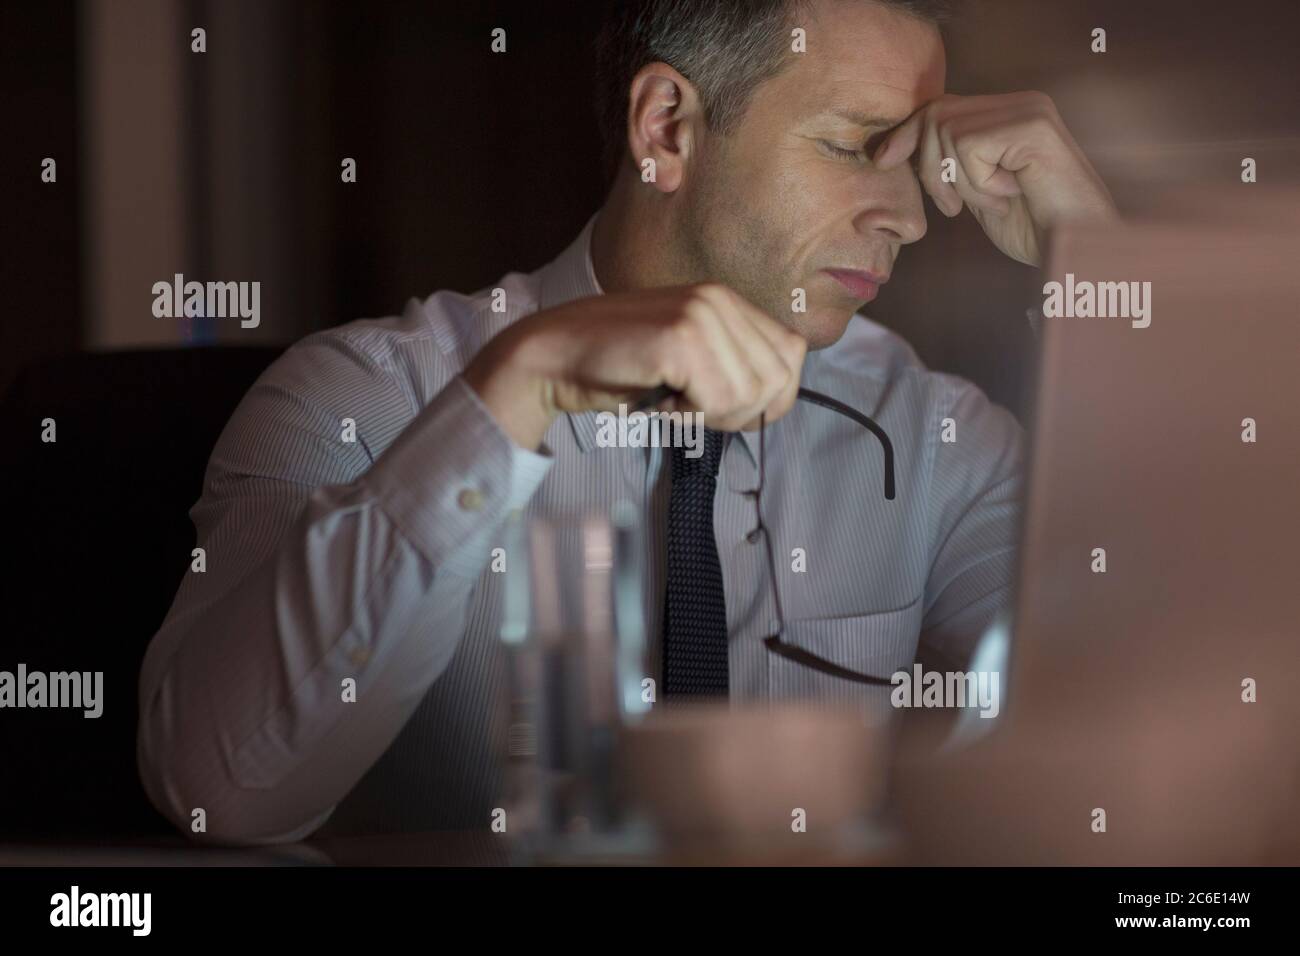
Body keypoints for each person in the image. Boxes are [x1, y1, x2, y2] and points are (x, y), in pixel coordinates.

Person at [137, 0, 1118, 845]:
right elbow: (217, 792)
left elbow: (1164, 730)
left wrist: (1111, 273)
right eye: (858, 146)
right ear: (665, 128)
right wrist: (514, 391)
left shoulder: (937, 441)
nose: (907, 216)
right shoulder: (361, 400)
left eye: (914, 161)